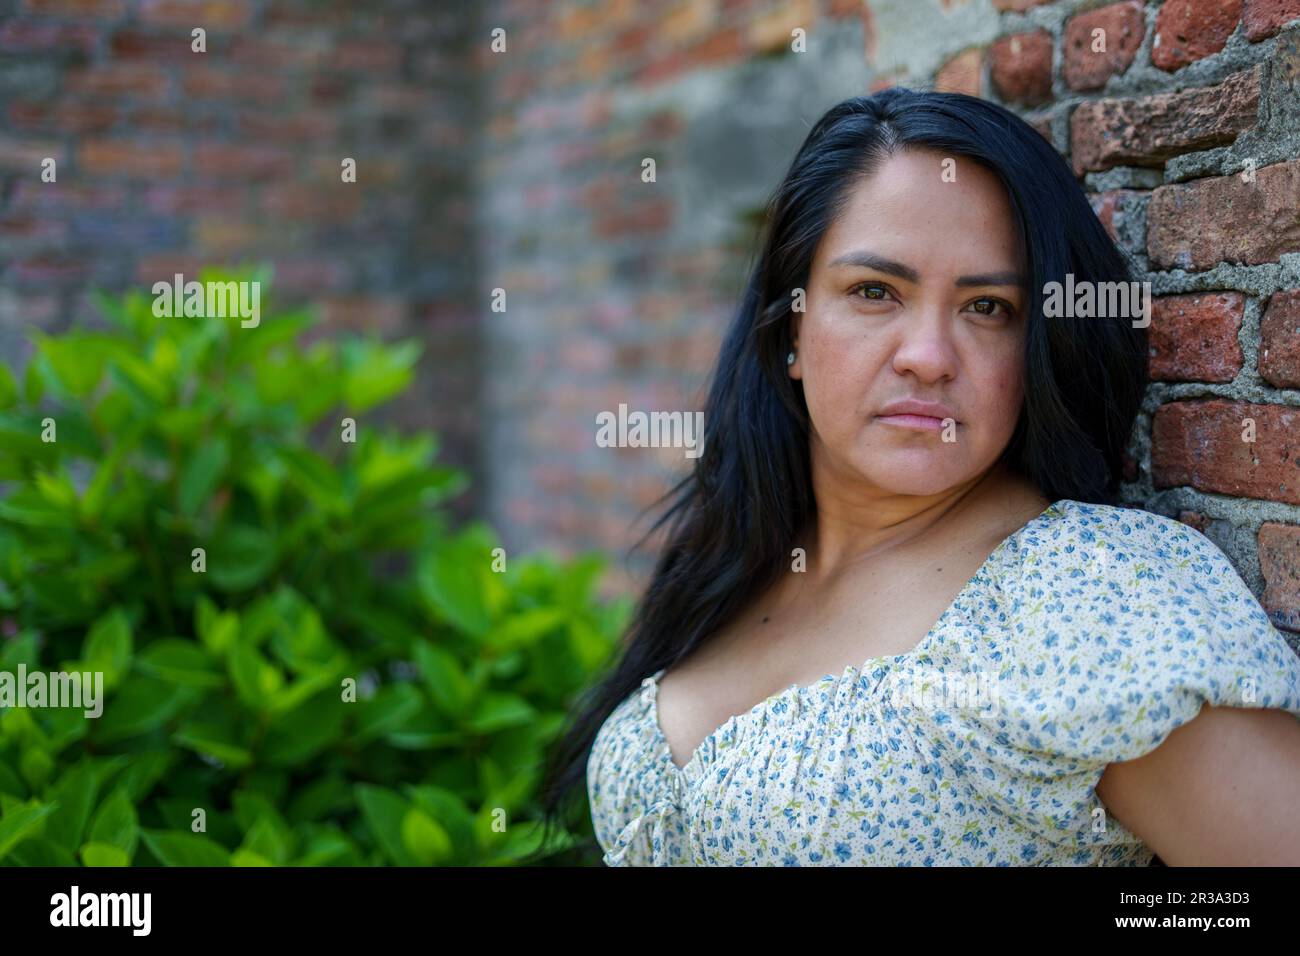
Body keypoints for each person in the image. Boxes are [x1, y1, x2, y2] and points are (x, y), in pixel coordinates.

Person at [537, 88, 1300, 866]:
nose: (928, 356)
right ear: (792, 326)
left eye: (988, 308)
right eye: (875, 292)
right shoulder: (742, 558)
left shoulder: (1087, 596)